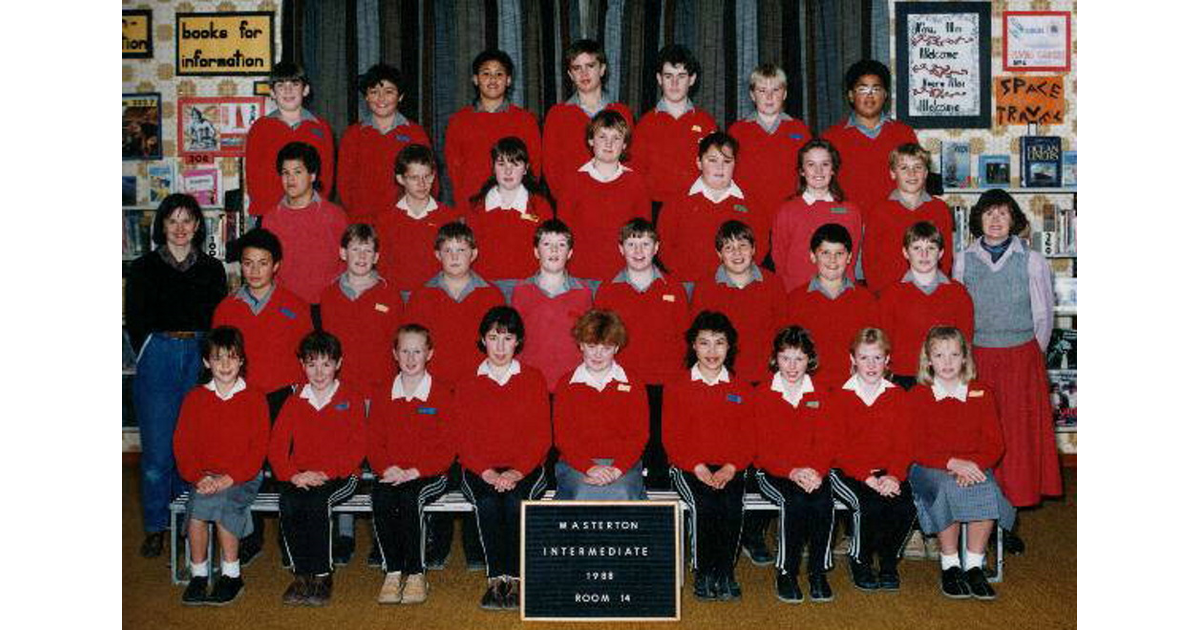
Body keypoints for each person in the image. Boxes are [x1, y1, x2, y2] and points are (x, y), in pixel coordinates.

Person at [952, 189, 1062, 550]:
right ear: (978, 221)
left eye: (1003, 214)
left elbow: (1043, 316)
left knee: (1017, 444)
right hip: (979, 359)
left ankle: (1006, 521)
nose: (996, 220)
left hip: (1020, 360)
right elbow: (960, 316)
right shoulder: (963, 260)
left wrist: (1028, 356)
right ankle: (984, 516)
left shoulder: (1031, 261)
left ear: (1013, 219)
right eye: (988, 214)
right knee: (982, 440)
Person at [125, 193, 228, 559]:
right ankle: (156, 526)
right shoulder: (143, 268)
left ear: (198, 225)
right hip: (159, 356)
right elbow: (135, 321)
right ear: (163, 226)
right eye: (173, 221)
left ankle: (191, 523)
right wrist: (154, 350)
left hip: (199, 357)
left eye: (188, 221)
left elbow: (219, 320)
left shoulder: (212, 269)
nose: (181, 228)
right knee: (157, 451)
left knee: (194, 446)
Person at [212, 227, 314, 563]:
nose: (254, 271)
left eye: (263, 263)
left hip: (284, 398)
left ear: (277, 266)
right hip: (242, 399)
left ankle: (292, 543)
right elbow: (219, 358)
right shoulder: (227, 308)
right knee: (241, 467)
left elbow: (307, 356)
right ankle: (248, 536)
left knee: (286, 468)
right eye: (248, 263)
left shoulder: (295, 306)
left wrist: (301, 396)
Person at [455, 306, 552, 611]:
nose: (499, 346)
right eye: (493, 337)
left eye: (507, 338)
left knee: (513, 503)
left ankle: (517, 579)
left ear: (518, 342)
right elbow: (462, 436)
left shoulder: (533, 378)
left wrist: (516, 472)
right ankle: (496, 580)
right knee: (487, 503)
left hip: (524, 468)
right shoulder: (468, 381)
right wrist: (486, 472)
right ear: (482, 340)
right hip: (480, 468)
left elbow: (541, 436)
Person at [908, 326, 1016, 600]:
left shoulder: (981, 393)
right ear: (928, 360)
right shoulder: (919, 395)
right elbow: (914, 446)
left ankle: (974, 566)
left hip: (974, 465)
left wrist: (974, 466)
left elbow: (995, 443)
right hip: (929, 466)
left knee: (986, 488)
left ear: (965, 358)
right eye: (939, 355)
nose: (947, 362)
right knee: (949, 487)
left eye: (954, 355)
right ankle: (950, 565)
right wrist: (953, 463)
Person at [268, 330, 367, 607]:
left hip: (341, 475)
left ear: (338, 363)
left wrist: (329, 472)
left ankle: (322, 575)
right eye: (311, 364)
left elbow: (358, 446)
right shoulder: (294, 402)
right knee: (288, 501)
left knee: (317, 502)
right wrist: (292, 475)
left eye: (326, 363)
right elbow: (276, 448)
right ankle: (301, 575)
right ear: (302, 366)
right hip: (300, 473)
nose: (319, 371)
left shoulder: (351, 398)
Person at [172, 326, 269, 606]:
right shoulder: (195, 398)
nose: (225, 364)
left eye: (231, 357)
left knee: (225, 502)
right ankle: (199, 574)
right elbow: (183, 444)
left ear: (241, 361)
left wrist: (230, 477)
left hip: (244, 475)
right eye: (218, 358)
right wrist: (196, 477)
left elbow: (258, 449)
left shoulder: (254, 398)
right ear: (206, 362)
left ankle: (231, 574)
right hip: (204, 476)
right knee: (201, 504)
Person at [664, 310, 753, 601]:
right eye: (704, 343)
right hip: (689, 465)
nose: (712, 351)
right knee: (704, 503)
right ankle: (703, 571)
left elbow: (748, 436)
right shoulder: (678, 387)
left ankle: (725, 570)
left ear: (730, 347)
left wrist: (731, 467)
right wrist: (697, 467)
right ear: (693, 345)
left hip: (730, 465)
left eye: (719, 343)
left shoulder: (741, 388)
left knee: (729, 503)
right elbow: (672, 437)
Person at [594, 218, 689, 486]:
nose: (638, 251)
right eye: (631, 244)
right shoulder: (608, 290)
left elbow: (684, 339)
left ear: (656, 247)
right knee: (625, 445)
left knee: (658, 445)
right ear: (621, 249)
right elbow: (601, 342)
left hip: (664, 383)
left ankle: (660, 510)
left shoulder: (674, 289)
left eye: (645, 244)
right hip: (622, 383)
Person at [367, 324, 455, 605]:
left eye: (417, 350)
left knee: (409, 497)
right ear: (394, 353)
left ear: (430, 354)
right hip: (392, 471)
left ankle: (417, 573)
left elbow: (448, 447)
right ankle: (392, 570)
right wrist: (385, 468)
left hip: (430, 473)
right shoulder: (383, 392)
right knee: (380, 496)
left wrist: (416, 471)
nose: (411, 357)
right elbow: (373, 442)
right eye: (404, 350)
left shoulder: (441, 393)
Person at [752, 326, 837, 604]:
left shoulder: (821, 393)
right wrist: (792, 471)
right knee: (795, 502)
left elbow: (827, 442)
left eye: (799, 358)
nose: (792, 366)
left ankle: (817, 571)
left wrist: (817, 471)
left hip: (813, 470)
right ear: (775, 358)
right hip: (772, 471)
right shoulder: (763, 394)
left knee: (823, 500)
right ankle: (786, 571)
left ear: (810, 360)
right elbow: (761, 449)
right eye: (785, 358)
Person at [827, 328, 916, 593]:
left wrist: (894, 475)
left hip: (888, 471)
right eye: (864, 358)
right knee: (867, 505)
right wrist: (867, 478)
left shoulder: (898, 396)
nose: (871, 365)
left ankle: (889, 562)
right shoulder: (839, 396)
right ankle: (861, 560)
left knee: (905, 507)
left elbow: (905, 443)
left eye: (878, 358)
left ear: (888, 360)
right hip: (847, 471)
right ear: (852, 359)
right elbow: (838, 449)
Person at [552, 309, 650, 501]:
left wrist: (616, 470)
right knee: (584, 492)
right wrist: (590, 467)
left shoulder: (634, 383)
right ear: (581, 345)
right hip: (576, 465)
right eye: (591, 346)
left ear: (616, 348)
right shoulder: (566, 384)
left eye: (606, 348)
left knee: (620, 491)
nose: (598, 354)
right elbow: (564, 438)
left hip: (623, 465)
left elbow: (638, 436)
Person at [658, 132, 770, 284]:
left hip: (736, 283)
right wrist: (688, 277)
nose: (720, 167)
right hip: (689, 284)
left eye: (727, 161)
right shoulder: (677, 202)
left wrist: (738, 275)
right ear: (699, 162)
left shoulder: (750, 204)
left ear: (735, 163)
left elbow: (761, 245)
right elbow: (664, 246)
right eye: (712, 160)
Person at [555, 110, 653, 282]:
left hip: (623, 276)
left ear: (624, 144)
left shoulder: (636, 183)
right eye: (602, 137)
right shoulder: (573, 182)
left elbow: (642, 235)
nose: (609, 144)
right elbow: (562, 234)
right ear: (591, 140)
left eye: (616, 138)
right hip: (580, 275)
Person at [878, 222, 974, 389]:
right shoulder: (891, 294)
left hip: (945, 377)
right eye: (916, 248)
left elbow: (965, 341)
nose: (924, 254)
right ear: (905, 252)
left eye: (931, 248)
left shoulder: (958, 293)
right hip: (903, 378)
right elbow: (883, 344)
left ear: (941, 252)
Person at [690, 220, 786, 385]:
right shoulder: (705, 287)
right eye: (728, 248)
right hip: (722, 377)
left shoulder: (773, 283)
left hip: (765, 376)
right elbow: (701, 338)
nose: (737, 253)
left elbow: (783, 331)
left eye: (743, 246)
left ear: (753, 249)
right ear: (719, 254)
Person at [444, 49, 543, 208]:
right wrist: (462, 209)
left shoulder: (525, 120)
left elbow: (534, 167)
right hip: (472, 206)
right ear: (475, 79)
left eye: (499, 74)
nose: (492, 79)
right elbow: (453, 172)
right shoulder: (459, 121)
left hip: (515, 205)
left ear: (509, 80)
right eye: (486, 73)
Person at [337, 63, 434, 221]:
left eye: (389, 92)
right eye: (374, 92)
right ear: (366, 96)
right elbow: (344, 185)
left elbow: (430, 181)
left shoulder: (415, 133)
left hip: (405, 218)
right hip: (363, 220)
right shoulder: (353, 135)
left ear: (400, 96)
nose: (381, 98)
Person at [785, 223, 879, 382]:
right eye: (825, 253)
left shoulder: (867, 300)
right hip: (809, 385)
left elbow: (875, 349)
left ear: (849, 257)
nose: (832, 260)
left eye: (839, 253)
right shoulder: (795, 300)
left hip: (854, 385)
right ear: (813, 256)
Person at [317, 223, 404, 395]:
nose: (362, 256)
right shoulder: (329, 295)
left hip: (380, 387)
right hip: (340, 388)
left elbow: (398, 344)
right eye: (355, 249)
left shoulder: (390, 295)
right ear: (343, 253)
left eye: (368, 250)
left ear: (376, 257)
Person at [821, 59, 919, 210]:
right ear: (851, 96)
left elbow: (916, 183)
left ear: (885, 94)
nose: (870, 96)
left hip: (894, 221)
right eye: (862, 89)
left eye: (876, 89)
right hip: (848, 222)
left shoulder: (904, 134)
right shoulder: (831, 138)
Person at [542, 38, 635, 195]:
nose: (584, 73)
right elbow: (551, 167)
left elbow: (630, 160)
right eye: (577, 68)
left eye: (590, 66)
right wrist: (566, 198)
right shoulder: (557, 115)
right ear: (570, 75)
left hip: (615, 197)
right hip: (573, 201)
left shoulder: (622, 112)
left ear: (602, 69)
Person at [772, 138, 865, 292]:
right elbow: (779, 259)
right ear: (802, 171)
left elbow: (852, 258)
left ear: (833, 169)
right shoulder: (786, 211)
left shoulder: (850, 212)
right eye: (811, 165)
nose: (818, 171)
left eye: (825, 164)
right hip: (797, 294)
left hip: (839, 294)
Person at [244, 62, 336, 218]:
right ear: (272, 92)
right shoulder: (260, 128)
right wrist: (268, 213)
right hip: (271, 213)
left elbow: (326, 174)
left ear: (305, 90)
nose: (288, 90)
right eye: (281, 85)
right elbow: (254, 178)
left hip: (311, 213)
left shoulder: (321, 128)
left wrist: (317, 208)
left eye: (294, 84)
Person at [262, 141, 348, 306]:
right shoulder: (271, 219)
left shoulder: (335, 216)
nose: (290, 179)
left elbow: (346, 263)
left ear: (312, 175)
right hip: (286, 306)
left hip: (329, 304)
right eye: (285, 173)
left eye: (297, 172)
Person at [511, 220, 594, 388]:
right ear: (536, 251)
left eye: (561, 245)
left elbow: (589, 339)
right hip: (531, 380)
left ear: (570, 252)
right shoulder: (521, 291)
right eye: (547, 244)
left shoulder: (583, 292)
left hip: (572, 381)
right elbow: (514, 339)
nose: (554, 250)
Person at [630, 44, 717, 205]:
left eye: (681, 76)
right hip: (655, 206)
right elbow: (636, 173)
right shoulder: (646, 123)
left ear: (692, 79)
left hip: (695, 205)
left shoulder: (706, 123)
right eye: (669, 76)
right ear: (659, 79)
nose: (675, 83)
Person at [728, 63, 813, 227]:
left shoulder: (800, 130)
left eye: (775, 90)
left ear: (785, 93)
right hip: (748, 217)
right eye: (762, 91)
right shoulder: (737, 131)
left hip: (790, 217)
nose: (769, 97)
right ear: (752, 95)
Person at [464, 136, 555, 286]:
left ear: (526, 168)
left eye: (515, 164)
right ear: (493, 167)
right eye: (501, 164)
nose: (508, 171)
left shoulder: (540, 206)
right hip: (486, 284)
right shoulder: (477, 207)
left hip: (528, 285)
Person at [371, 144, 462, 293]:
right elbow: (382, 268)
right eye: (414, 178)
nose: (422, 184)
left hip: (437, 294)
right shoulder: (385, 219)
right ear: (400, 179)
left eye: (427, 176)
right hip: (399, 295)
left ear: (433, 176)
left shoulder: (448, 217)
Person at [863, 143, 955, 290]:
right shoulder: (879, 211)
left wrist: (934, 290)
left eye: (918, 167)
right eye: (904, 168)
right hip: (890, 294)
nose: (911, 174)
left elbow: (946, 256)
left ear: (926, 173)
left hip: (930, 291)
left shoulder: (939, 209)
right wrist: (881, 295)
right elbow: (870, 261)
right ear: (893, 173)